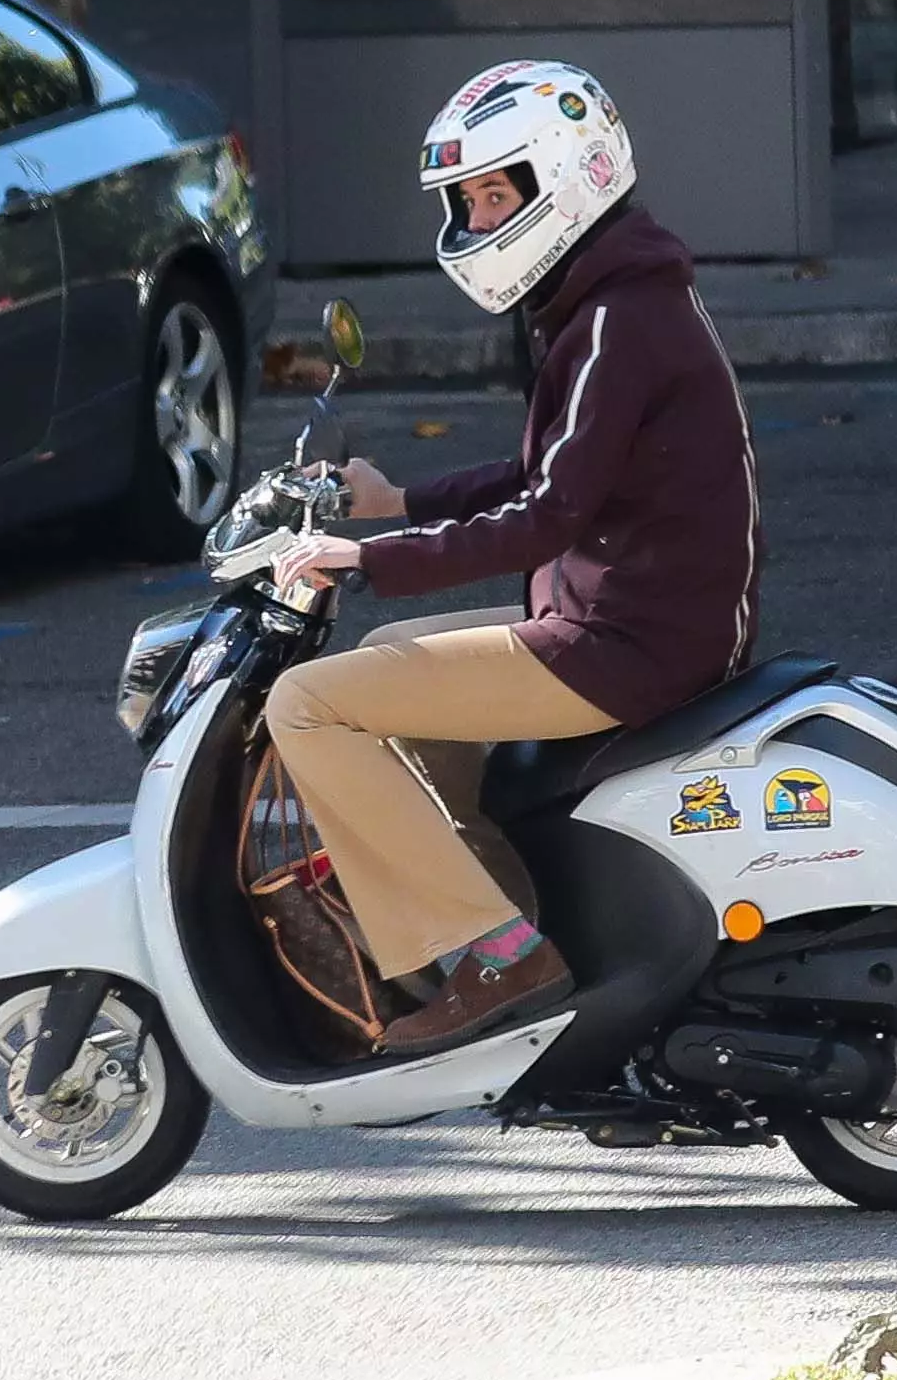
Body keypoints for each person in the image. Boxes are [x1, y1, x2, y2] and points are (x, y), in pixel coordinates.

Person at [265, 59, 761, 1056]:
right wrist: (397, 500)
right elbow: (550, 471)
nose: (478, 218)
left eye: (496, 193)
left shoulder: (622, 318)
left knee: (307, 703)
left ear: (568, 179)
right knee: (394, 663)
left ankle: (497, 954)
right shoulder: (616, 296)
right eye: (468, 200)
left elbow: (544, 514)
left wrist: (366, 557)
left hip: (622, 641)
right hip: (625, 620)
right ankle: (502, 918)